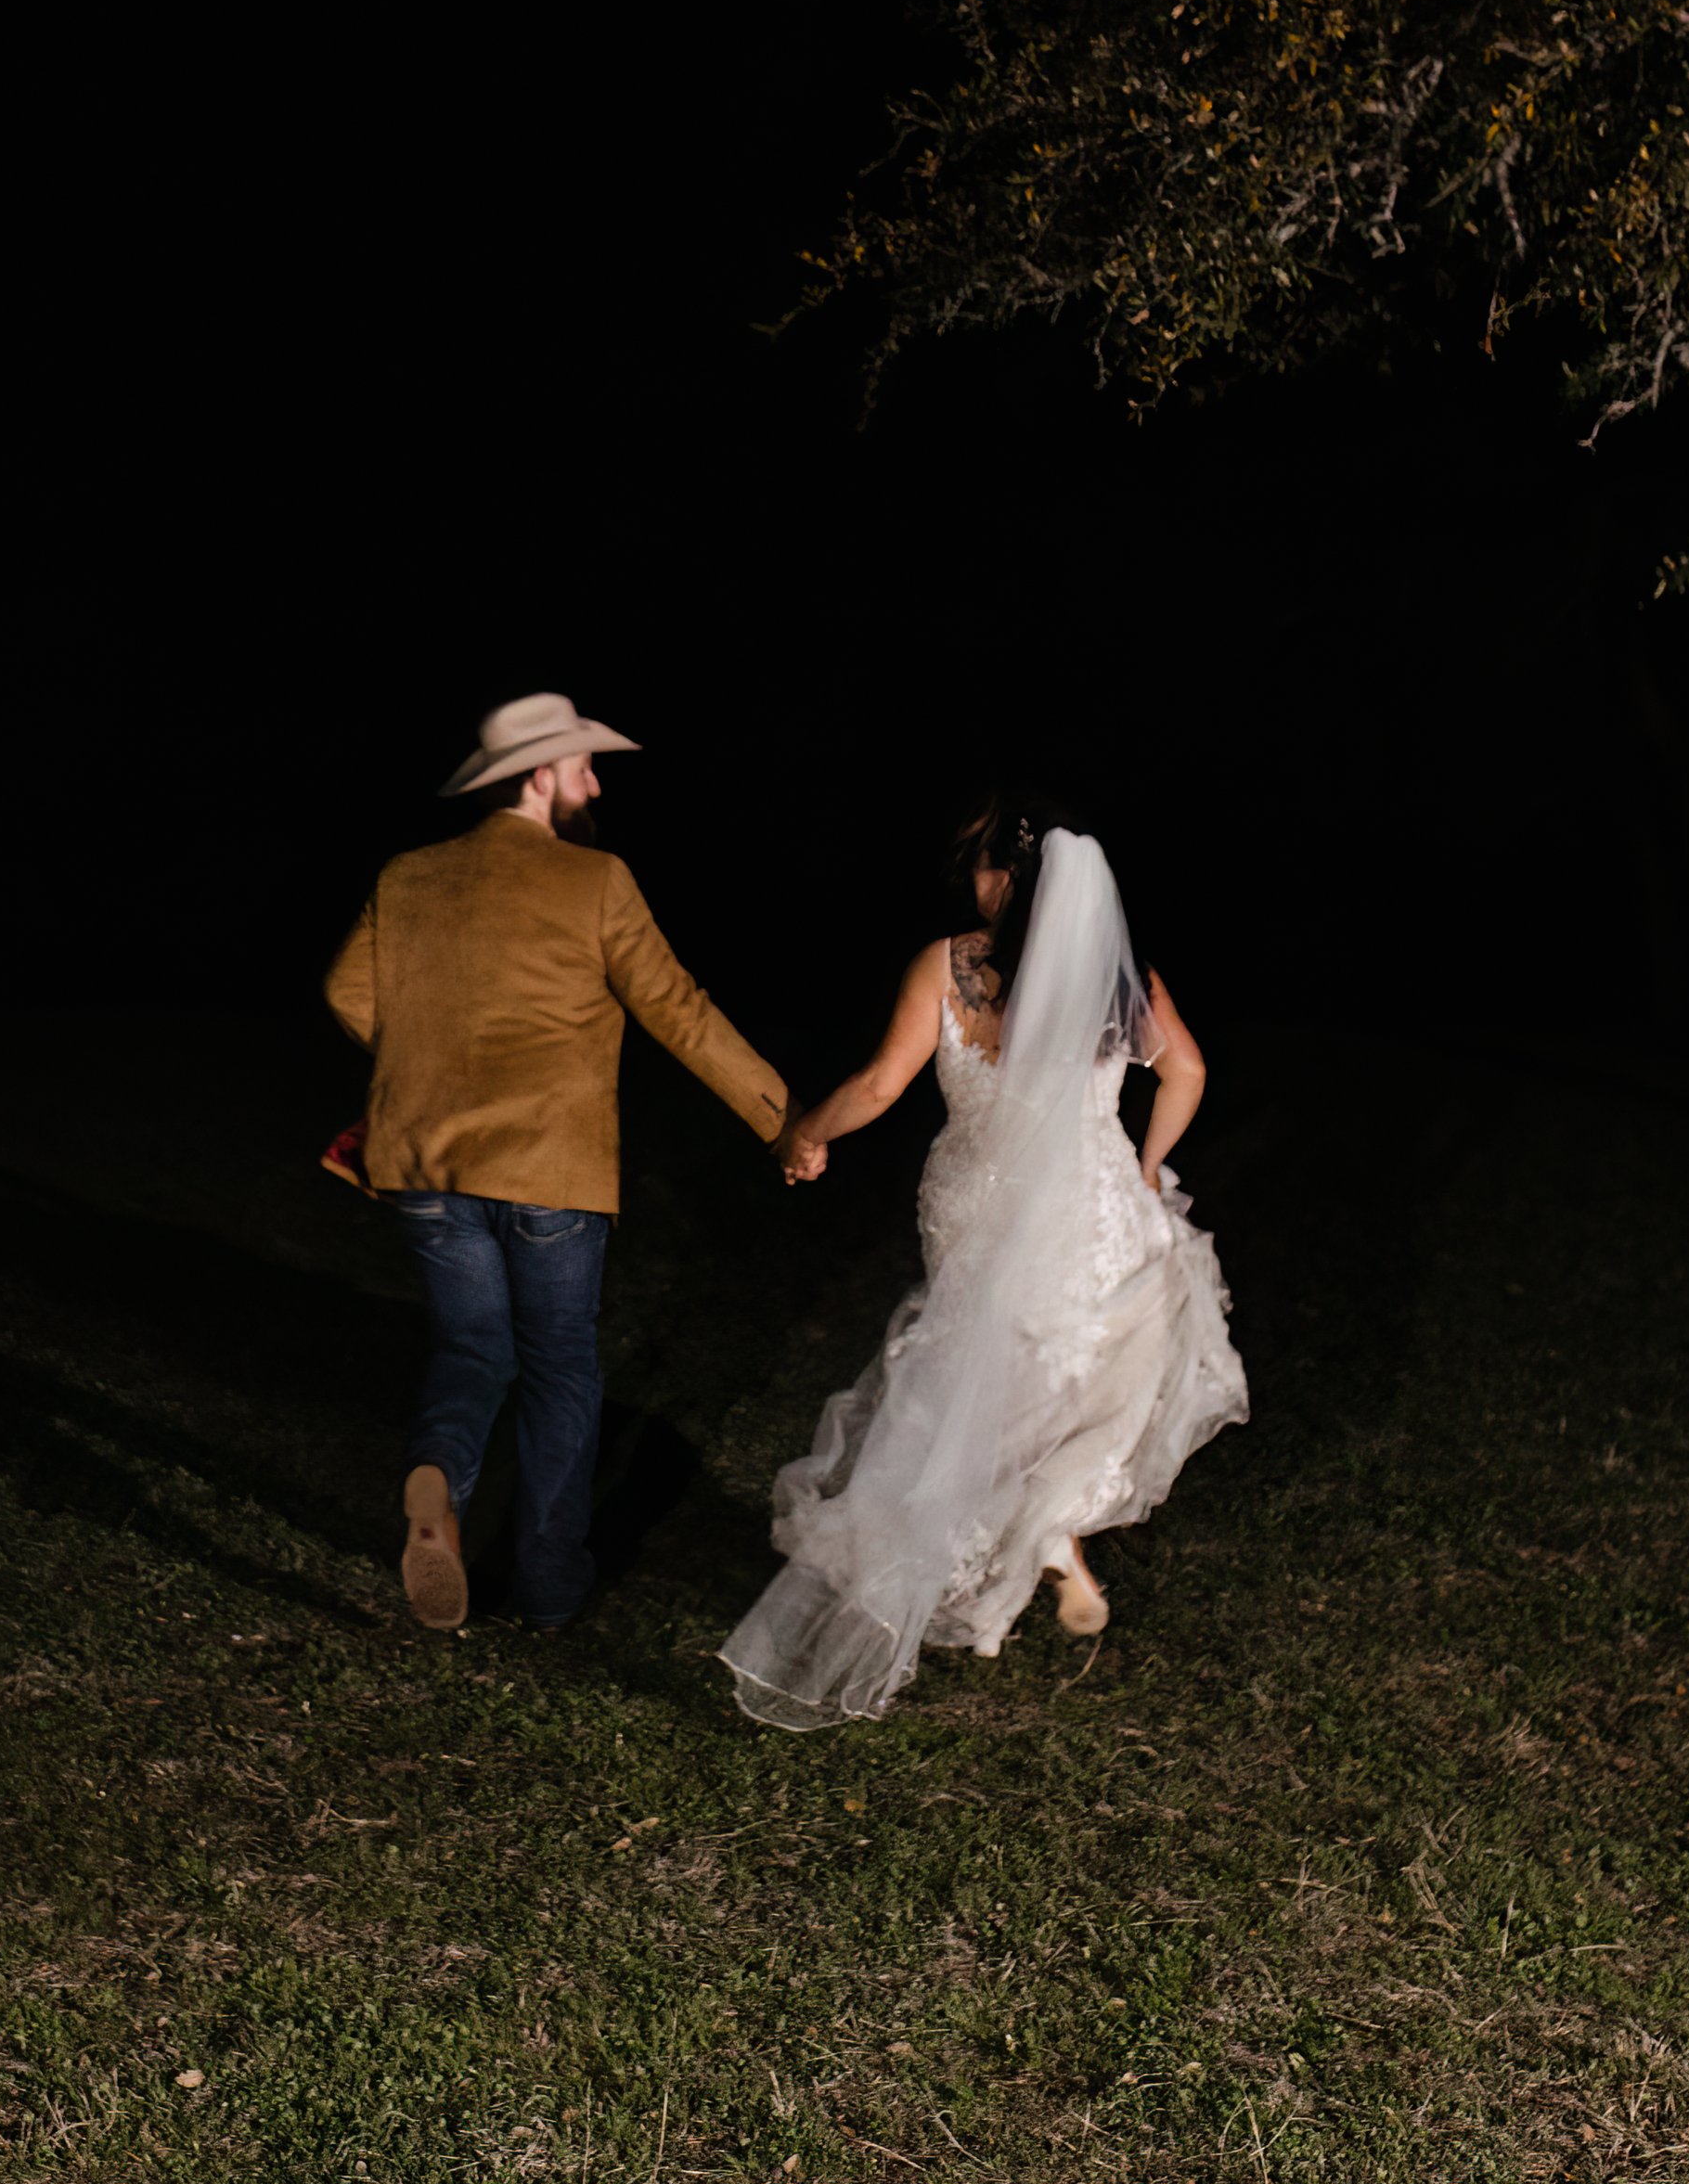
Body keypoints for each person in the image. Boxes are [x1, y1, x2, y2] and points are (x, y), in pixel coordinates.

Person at [725, 799, 1246, 1728]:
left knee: (980, 1379)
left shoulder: (949, 965)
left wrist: (805, 1134)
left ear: (1005, 879)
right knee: (1079, 1384)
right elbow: (1189, 1072)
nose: (969, 881)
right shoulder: (1119, 978)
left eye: (977, 865)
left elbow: (882, 1084)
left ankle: (1020, 1547)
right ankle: (1049, 1532)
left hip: (980, 1202)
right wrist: (1143, 1162)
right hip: (1096, 1210)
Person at [325, 692, 786, 1633]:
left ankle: (435, 1479)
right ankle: (547, 1588)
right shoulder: (596, 880)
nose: (595, 782)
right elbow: (680, 1011)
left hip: (425, 1168)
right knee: (560, 1371)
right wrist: (782, 1121)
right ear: (542, 774)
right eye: (583, 764)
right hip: (549, 1170)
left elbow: (345, 991)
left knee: (470, 1349)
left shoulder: (408, 875)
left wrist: (423, 1067)